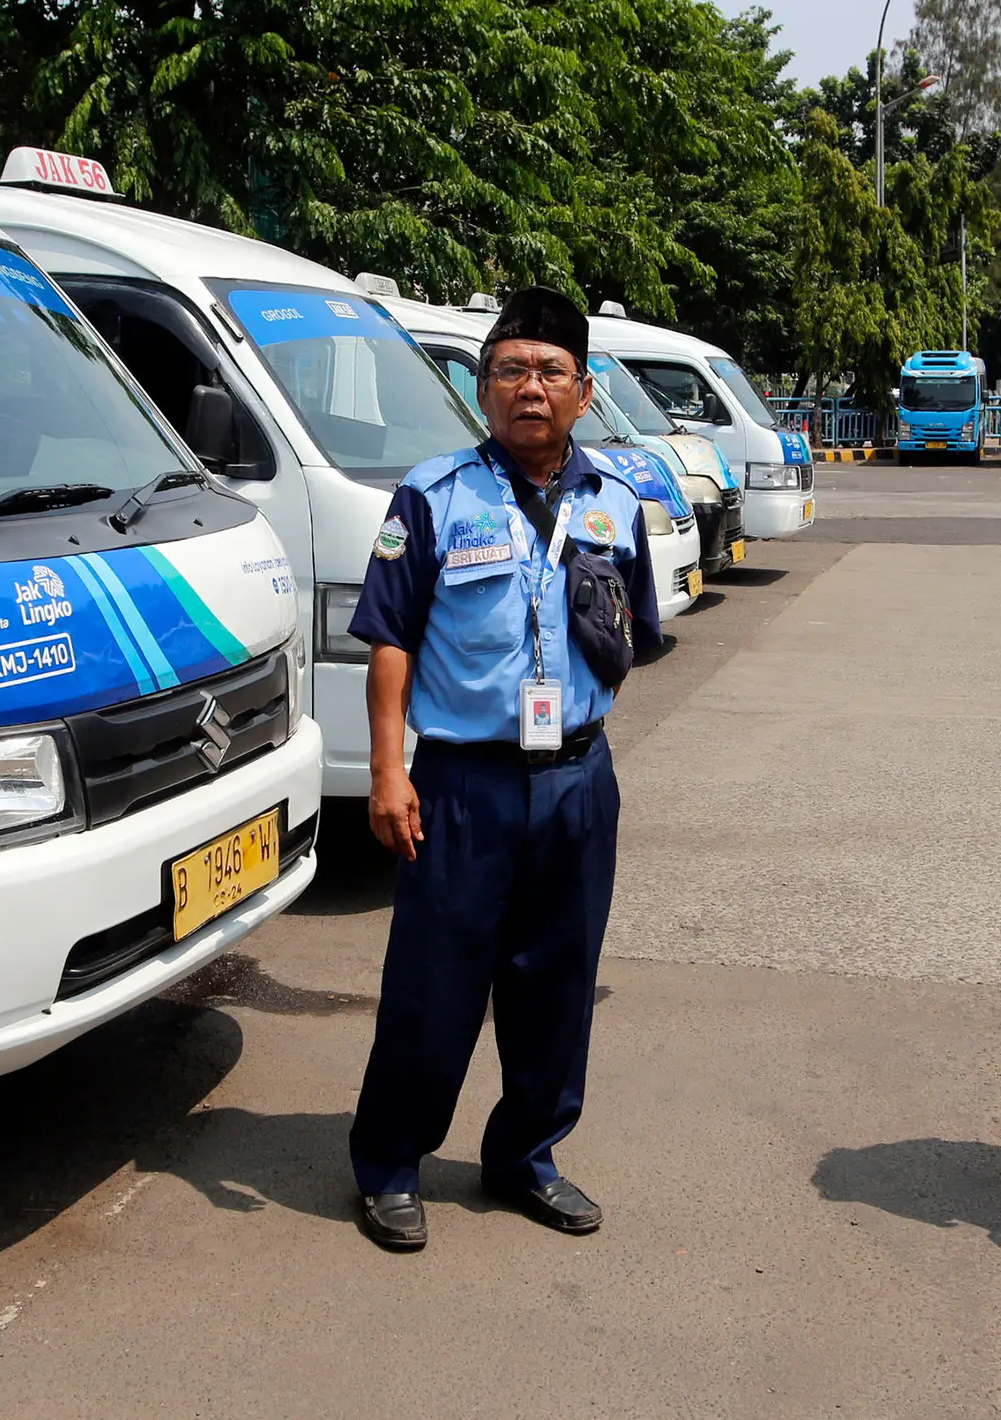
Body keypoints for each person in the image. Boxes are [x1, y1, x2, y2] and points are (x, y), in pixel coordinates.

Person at [342, 287, 662, 1252]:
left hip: (575, 782)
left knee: (558, 984)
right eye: (511, 371)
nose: (531, 388)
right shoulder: (433, 497)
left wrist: (577, 732)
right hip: (461, 787)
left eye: (551, 371)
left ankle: (527, 1156)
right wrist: (389, 773)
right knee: (434, 987)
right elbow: (389, 640)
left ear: (585, 389)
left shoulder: (616, 501)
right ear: (482, 389)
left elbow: (634, 635)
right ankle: (392, 1165)